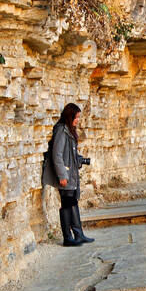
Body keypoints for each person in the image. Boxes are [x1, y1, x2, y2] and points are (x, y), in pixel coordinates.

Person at [41, 102, 94, 246]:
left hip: (71, 174)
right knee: (66, 204)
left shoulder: (68, 130)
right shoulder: (61, 130)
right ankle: (67, 237)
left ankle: (79, 234)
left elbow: (69, 153)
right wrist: (62, 176)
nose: (77, 120)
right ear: (69, 116)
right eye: (76, 117)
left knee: (72, 202)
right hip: (65, 174)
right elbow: (57, 154)